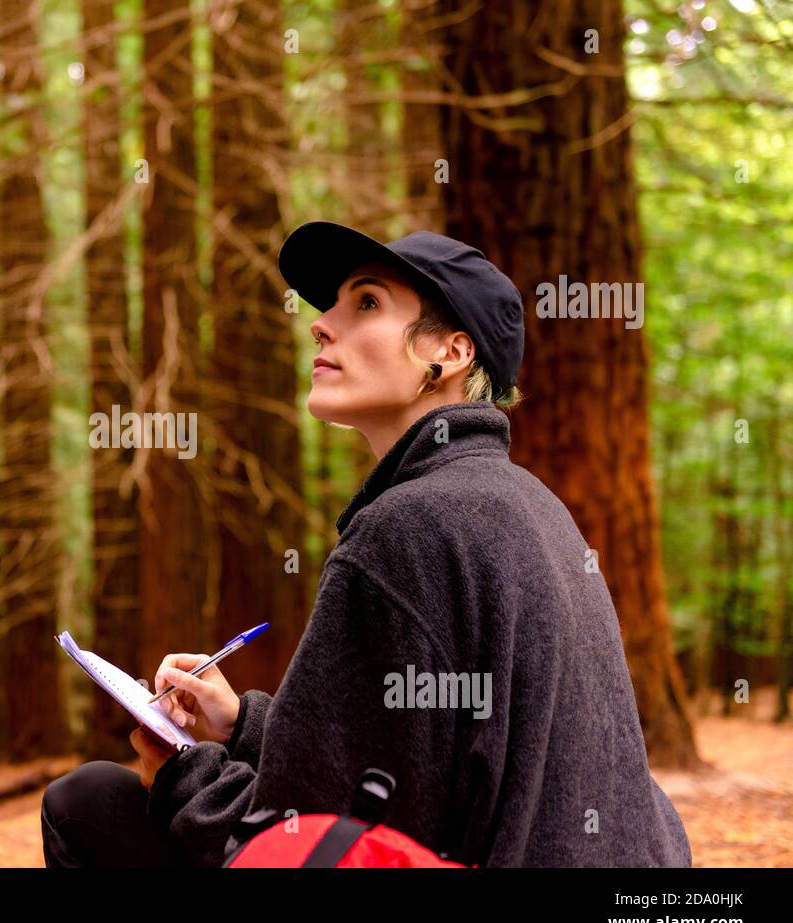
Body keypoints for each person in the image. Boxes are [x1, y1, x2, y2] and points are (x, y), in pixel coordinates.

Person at [42, 221, 693, 868]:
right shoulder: (531, 507)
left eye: (368, 303)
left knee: (88, 800)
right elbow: (413, 761)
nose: (321, 324)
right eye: (331, 306)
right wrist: (240, 724)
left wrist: (186, 771)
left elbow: (299, 843)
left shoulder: (406, 528)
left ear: (451, 353)